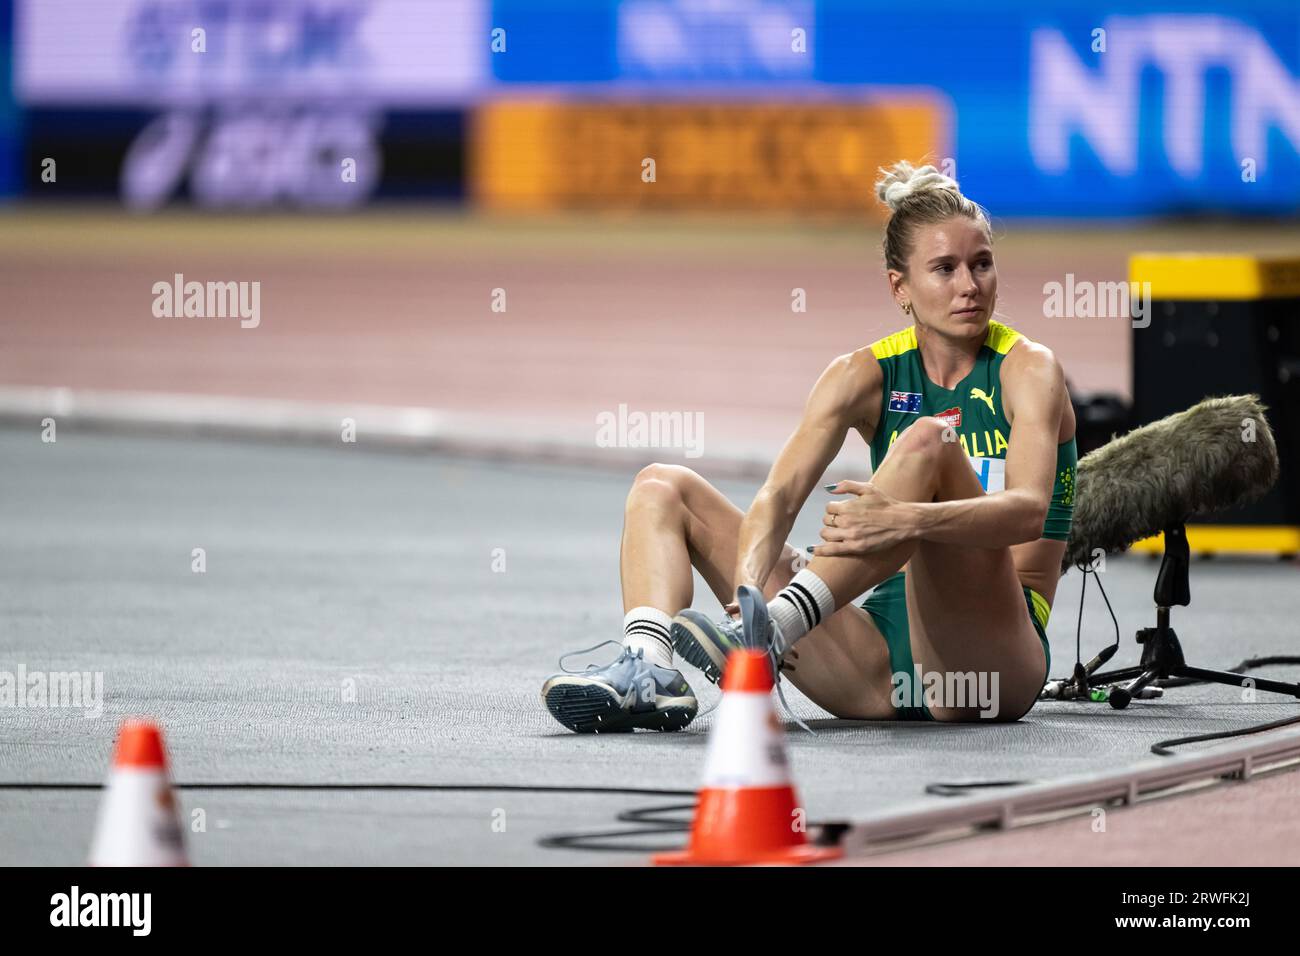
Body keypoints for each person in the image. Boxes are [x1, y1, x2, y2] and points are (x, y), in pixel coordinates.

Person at [541, 161, 1077, 732]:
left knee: (929, 439)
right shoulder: (860, 374)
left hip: (988, 668)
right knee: (660, 486)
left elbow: (1028, 512)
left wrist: (908, 520)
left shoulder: (1029, 368)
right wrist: (747, 592)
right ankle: (649, 671)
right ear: (900, 286)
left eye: (982, 264)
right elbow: (778, 498)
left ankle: (777, 627)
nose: (970, 286)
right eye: (944, 269)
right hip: (869, 666)